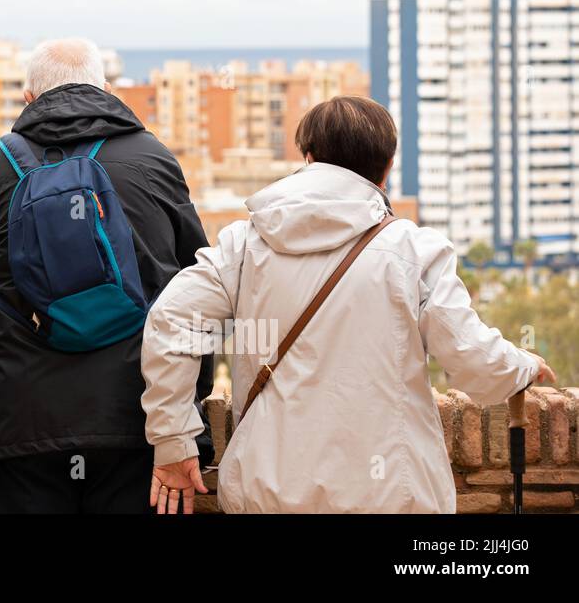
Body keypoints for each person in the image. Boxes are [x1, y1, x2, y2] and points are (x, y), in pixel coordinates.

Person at [141, 95, 555, 514]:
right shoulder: (415, 251)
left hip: (267, 491)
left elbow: (173, 321)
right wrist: (520, 367)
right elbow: (469, 357)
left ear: (308, 157)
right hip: (389, 495)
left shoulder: (244, 245)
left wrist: (174, 439)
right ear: (387, 168)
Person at [0, 37, 214, 513]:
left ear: (28, 97)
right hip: (133, 415)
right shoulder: (151, 157)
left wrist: (0, 383)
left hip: (25, 420)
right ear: (107, 89)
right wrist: (191, 399)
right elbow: (196, 285)